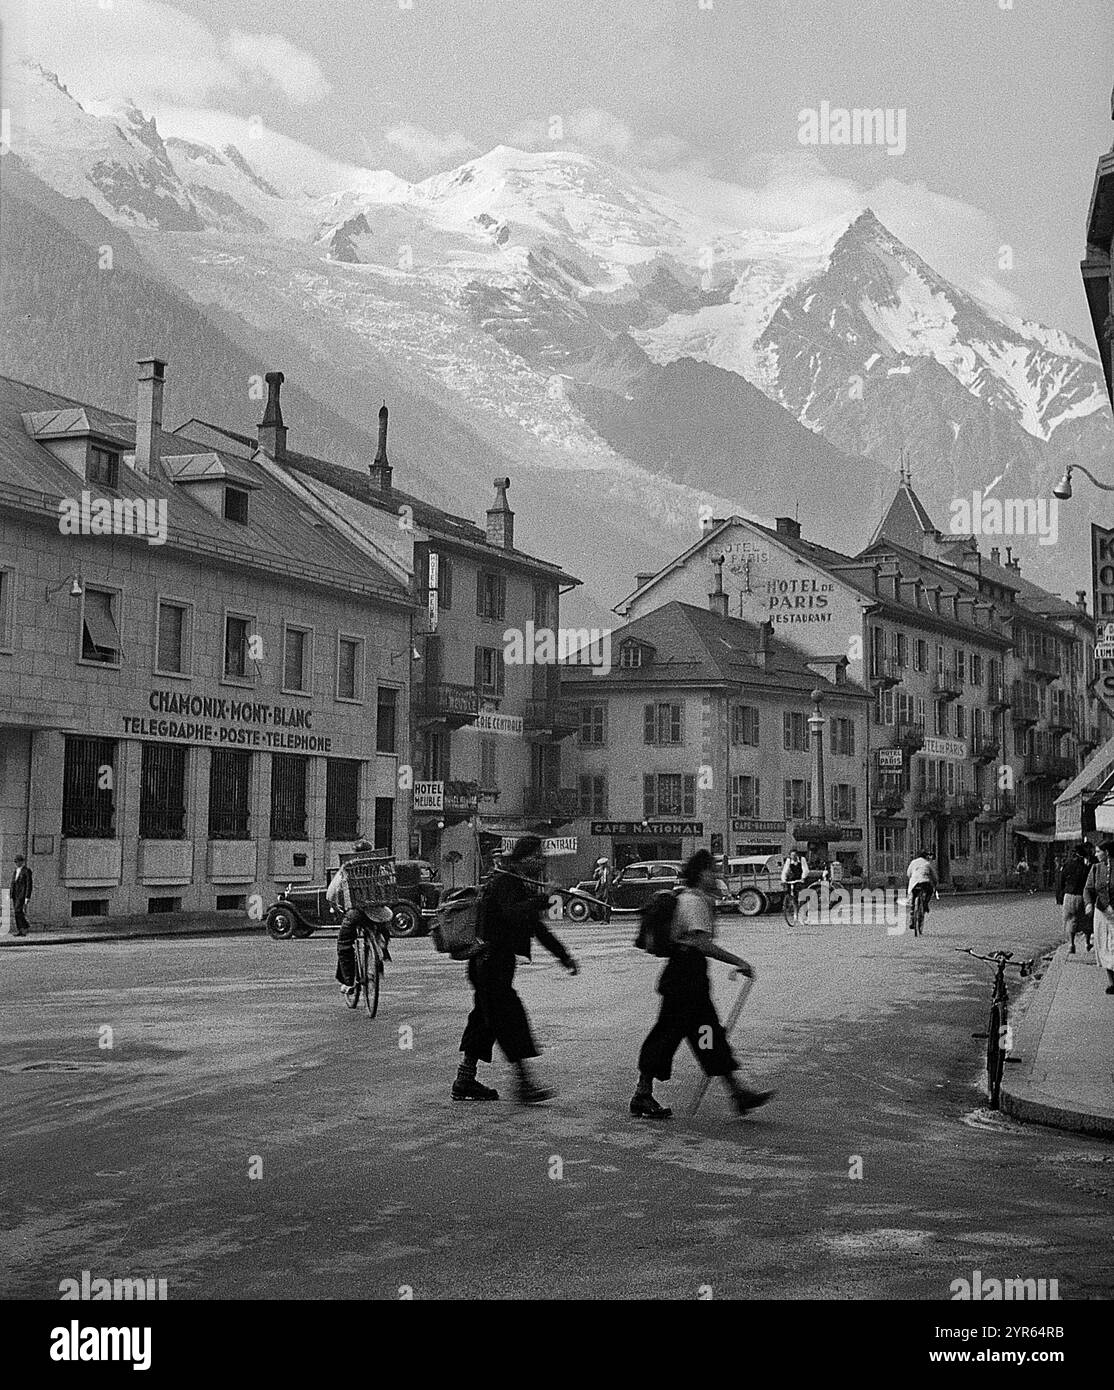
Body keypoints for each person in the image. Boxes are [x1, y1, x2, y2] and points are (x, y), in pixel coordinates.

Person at [631, 849, 775, 1120]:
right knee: (669, 1034)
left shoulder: (693, 899)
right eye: (711, 870)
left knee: (706, 1034)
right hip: (684, 977)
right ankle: (642, 1094)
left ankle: (737, 1093)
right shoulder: (693, 901)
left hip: (688, 977)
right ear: (700, 874)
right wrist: (739, 961)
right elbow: (700, 943)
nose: (715, 876)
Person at [454, 835, 579, 1104]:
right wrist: (544, 899)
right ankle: (524, 1083)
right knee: (510, 1020)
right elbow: (513, 913)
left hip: (493, 965)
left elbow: (535, 927)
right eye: (536, 856)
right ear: (523, 859)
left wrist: (563, 956)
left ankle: (465, 1080)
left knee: (484, 1022)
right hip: (490, 963)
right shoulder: (506, 883)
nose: (540, 861)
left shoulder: (517, 884)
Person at [328, 842, 392, 1007]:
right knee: (384, 928)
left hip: (357, 913)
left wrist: (336, 906)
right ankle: (381, 950)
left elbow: (331, 894)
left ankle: (349, 982)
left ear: (354, 853)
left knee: (344, 944)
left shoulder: (348, 867)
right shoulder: (380, 866)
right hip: (379, 912)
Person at [1083, 839, 1114, 995]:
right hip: (1101, 912)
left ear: (1107, 852)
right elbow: (1088, 889)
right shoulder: (1095, 869)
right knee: (1104, 946)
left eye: (1098, 851)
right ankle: (1111, 982)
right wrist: (1088, 903)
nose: (1096, 854)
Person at [1056, 842, 1092, 955]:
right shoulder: (1086, 867)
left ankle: (1071, 945)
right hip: (1082, 897)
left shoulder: (1067, 865)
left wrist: (1059, 897)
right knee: (1086, 921)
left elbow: (1061, 882)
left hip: (1069, 896)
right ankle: (1087, 942)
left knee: (1070, 921)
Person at [906, 851, 938, 928]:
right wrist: (935, 884)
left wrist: (913, 877)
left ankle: (912, 918)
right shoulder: (927, 863)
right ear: (926, 857)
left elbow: (908, 873)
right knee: (930, 891)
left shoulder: (913, 862)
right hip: (925, 882)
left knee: (913, 899)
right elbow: (934, 876)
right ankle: (925, 904)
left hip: (914, 883)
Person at [9, 854, 32, 937]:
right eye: (15, 862)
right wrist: (11, 893)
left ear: (22, 862)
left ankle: (25, 925)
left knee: (17, 911)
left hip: (22, 895)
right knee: (17, 912)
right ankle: (21, 929)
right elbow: (13, 883)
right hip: (15, 894)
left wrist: (27, 897)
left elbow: (29, 884)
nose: (17, 863)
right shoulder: (16, 871)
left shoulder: (26, 871)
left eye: (18, 861)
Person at [780, 849, 805, 920]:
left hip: (800, 879)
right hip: (792, 879)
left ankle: (802, 912)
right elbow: (785, 870)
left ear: (797, 855)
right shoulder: (789, 861)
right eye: (792, 855)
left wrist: (803, 878)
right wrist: (783, 880)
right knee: (791, 896)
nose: (793, 857)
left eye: (794, 855)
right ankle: (794, 910)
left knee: (801, 896)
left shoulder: (802, 859)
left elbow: (805, 869)